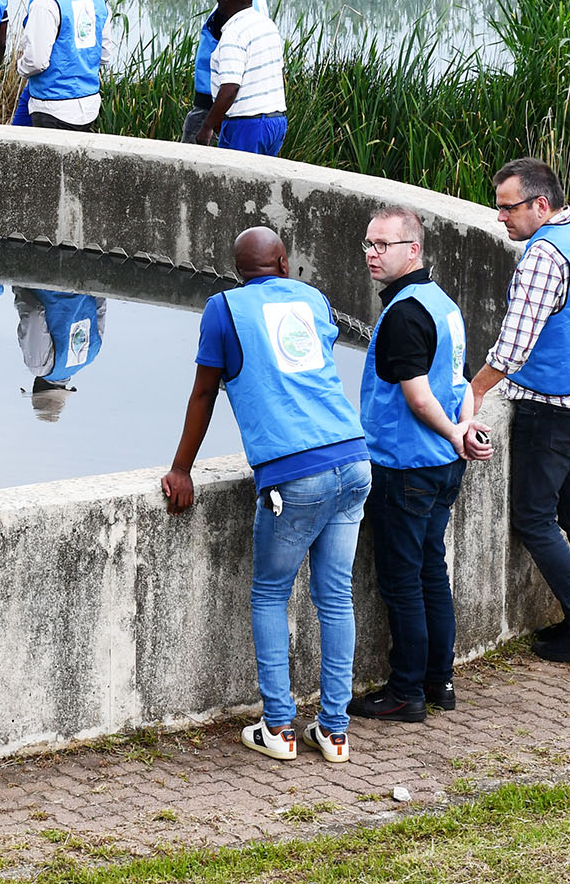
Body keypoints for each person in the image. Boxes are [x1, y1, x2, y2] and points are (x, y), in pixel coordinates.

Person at [162, 227, 369, 764]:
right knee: (335, 597)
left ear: (238, 270)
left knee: (271, 594)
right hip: (352, 459)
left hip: (294, 473)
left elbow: (205, 391)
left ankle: (279, 727)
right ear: (283, 262)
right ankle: (336, 732)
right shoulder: (312, 298)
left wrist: (181, 468)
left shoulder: (222, 308)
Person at [469, 157, 570, 666]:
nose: (500, 218)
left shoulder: (542, 256)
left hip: (553, 410)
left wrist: (472, 393)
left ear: (540, 204)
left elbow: (513, 346)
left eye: (507, 208)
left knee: (534, 518)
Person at [348, 206, 493, 724]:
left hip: (404, 467)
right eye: (368, 243)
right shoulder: (442, 304)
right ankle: (440, 681)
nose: (371, 253)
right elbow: (465, 381)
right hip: (442, 466)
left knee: (403, 581)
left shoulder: (406, 313)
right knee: (433, 569)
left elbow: (418, 397)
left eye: (383, 245)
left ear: (413, 250)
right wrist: (464, 432)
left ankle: (407, 691)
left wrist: (457, 431)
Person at [14, 0, 116, 132]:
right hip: (88, 105)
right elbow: (104, 55)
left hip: (52, 106)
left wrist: (20, 66)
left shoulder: (46, 3)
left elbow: (36, 61)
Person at [192, 0, 286, 155]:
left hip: (247, 124)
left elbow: (230, 87)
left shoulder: (234, 33)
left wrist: (208, 126)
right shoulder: (267, 25)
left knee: (234, 183)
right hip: (276, 122)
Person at [181, 0, 253, 146]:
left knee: (191, 163)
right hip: (222, 100)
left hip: (214, 101)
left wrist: (210, 122)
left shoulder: (233, 6)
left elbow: (232, 65)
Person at [15, 287, 104, 419]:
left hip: (86, 280)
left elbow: (101, 302)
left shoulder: (91, 355)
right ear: (36, 388)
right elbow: (33, 314)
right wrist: (17, 285)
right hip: (50, 281)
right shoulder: (40, 367)